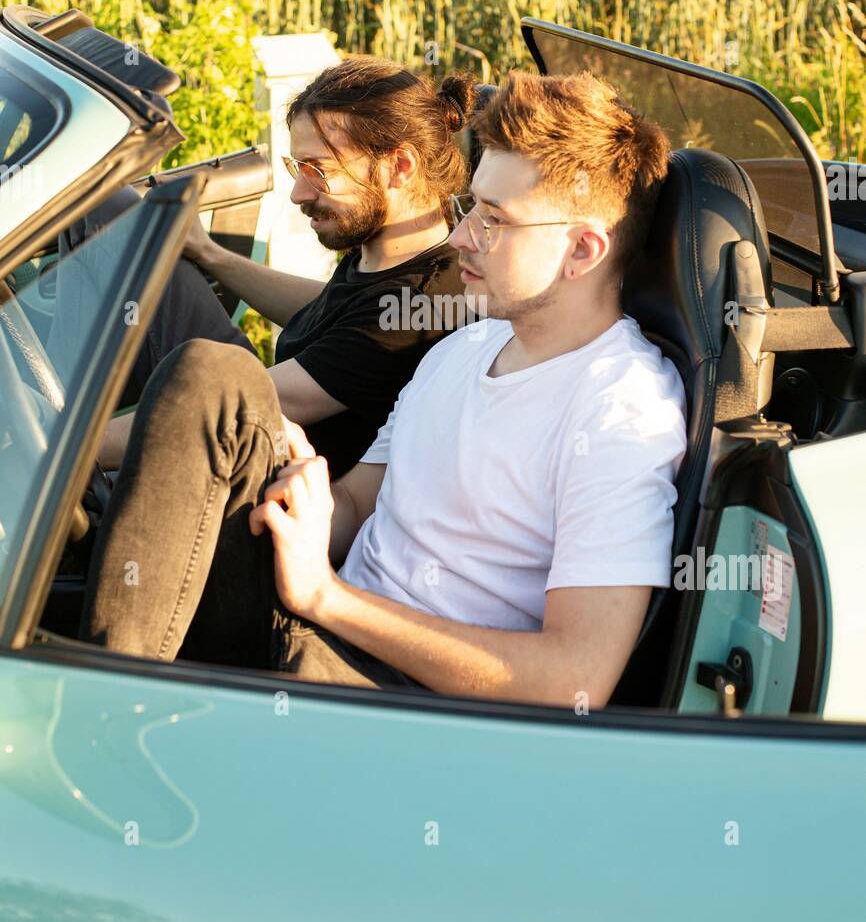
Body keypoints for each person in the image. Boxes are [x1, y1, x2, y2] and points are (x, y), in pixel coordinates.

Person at [80, 70, 687, 710]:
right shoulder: (461, 349)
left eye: (495, 220)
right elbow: (354, 506)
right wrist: (304, 490)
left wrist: (328, 597)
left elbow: (573, 679)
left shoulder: (622, 412)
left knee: (213, 377)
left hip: (392, 695)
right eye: (471, 209)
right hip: (318, 623)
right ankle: (103, 672)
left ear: (583, 250)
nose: (461, 237)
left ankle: (104, 713)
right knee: (212, 378)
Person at [87, 57, 476, 478]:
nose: (298, 193)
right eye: (297, 168)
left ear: (399, 167)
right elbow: (329, 310)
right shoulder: (391, 246)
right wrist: (209, 254)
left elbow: (232, 412)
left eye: (317, 170)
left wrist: (63, 453)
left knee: (112, 210)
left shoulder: (416, 307)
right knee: (114, 209)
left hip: (262, 497)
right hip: (247, 436)